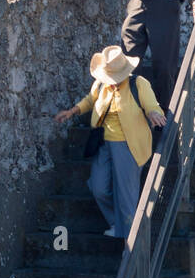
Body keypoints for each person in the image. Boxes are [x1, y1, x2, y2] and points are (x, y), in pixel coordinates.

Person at [55, 45, 165, 238]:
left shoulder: (138, 84)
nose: (113, 82)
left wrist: (155, 113)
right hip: (104, 143)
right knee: (98, 187)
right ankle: (117, 223)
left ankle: (131, 245)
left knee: (126, 194)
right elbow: (91, 100)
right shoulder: (101, 84)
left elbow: (151, 105)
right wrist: (73, 111)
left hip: (129, 144)